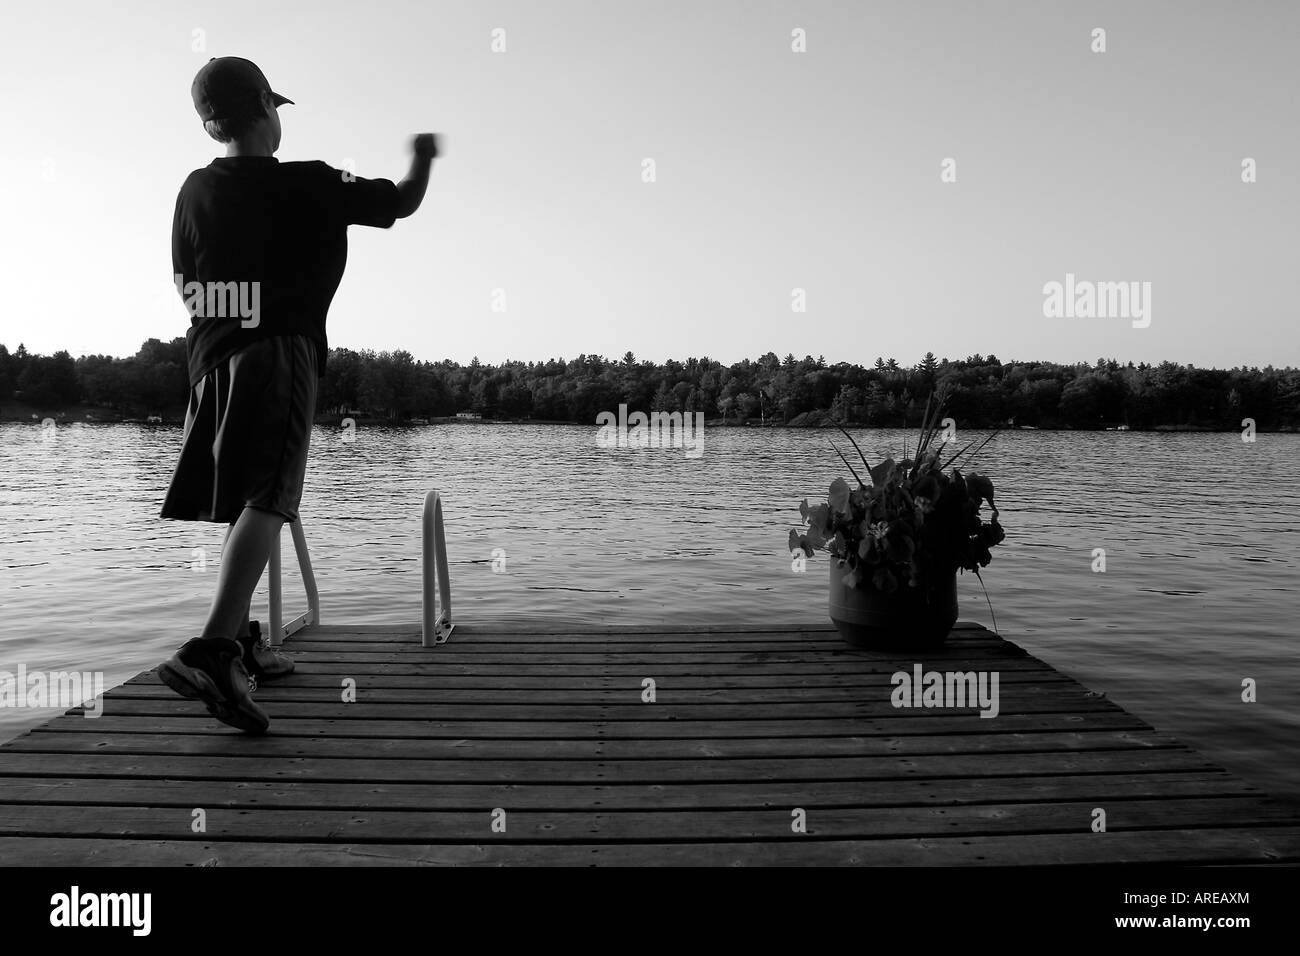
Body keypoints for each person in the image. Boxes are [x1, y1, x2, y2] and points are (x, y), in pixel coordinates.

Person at [157, 56, 439, 733]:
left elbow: (183, 279)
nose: (282, 117)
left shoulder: (192, 191)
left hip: (210, 361)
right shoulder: (311, 183)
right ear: (261, 109)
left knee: (247, 497)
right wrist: (424, 158)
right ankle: (211, 647)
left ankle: (243, 642)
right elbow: (398, 203)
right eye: (277, 106)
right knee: (274, 495)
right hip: (278, 353)